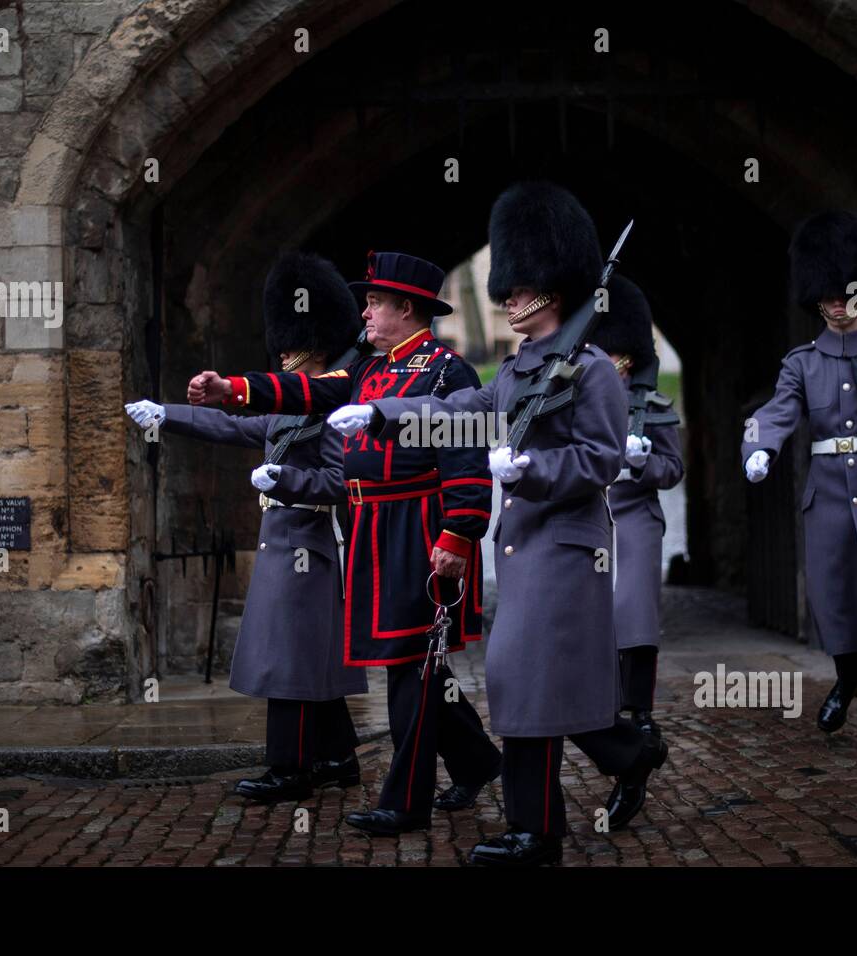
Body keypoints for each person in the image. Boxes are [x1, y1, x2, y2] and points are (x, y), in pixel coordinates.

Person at [329, 183, 668, 866]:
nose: (506, 298)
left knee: (524, 680)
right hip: (524, 549)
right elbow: (463, 407)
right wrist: (384, 414)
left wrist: (528, 471)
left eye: (516, 290)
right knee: (533, 682)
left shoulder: (593, 370)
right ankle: (629, 753)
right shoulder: (516, 372)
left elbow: (601, 461)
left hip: (569, 552)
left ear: (549, 290)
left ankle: (535, 832)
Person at [186, 251, 502, 834]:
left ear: (406, 309)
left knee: (411, 669)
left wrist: (459, 532)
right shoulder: (365, 371)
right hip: (371, 531)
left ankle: (404, 803)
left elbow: (466, 456)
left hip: (420, 527)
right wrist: (232, 387)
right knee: (418, 667)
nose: (366, 312)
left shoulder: (447, 371)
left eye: (376, 302)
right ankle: (477, 759)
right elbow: (305, 392)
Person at [124, 252, 367, 801]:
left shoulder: (331, 404)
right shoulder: (287, 406)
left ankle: (290, 768)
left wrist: (283, 481)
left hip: (311, 545)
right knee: (306, 657)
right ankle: (337, 758)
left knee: (290, 662)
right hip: (285, 543)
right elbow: (230, 424)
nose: (282, 353)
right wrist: (167, 414)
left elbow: (338, 481)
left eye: (291, 345)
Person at [741, 210, 857, 759]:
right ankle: (848, 679)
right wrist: (760, 449)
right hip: (826, 497)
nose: (840, 305)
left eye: (848, 294)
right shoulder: (802, 363)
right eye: (831, 296)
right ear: (817, 299)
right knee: (833, 598)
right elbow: (777, 413)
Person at [589, 276, 684, 738]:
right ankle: (598, 700)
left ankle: (638, 705)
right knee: (592, 610)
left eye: (617, 360)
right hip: (592, 512)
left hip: (636, 512)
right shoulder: (579, 401)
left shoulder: (654, 405)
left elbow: (672, 468)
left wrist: (644, 464)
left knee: (637, 611)